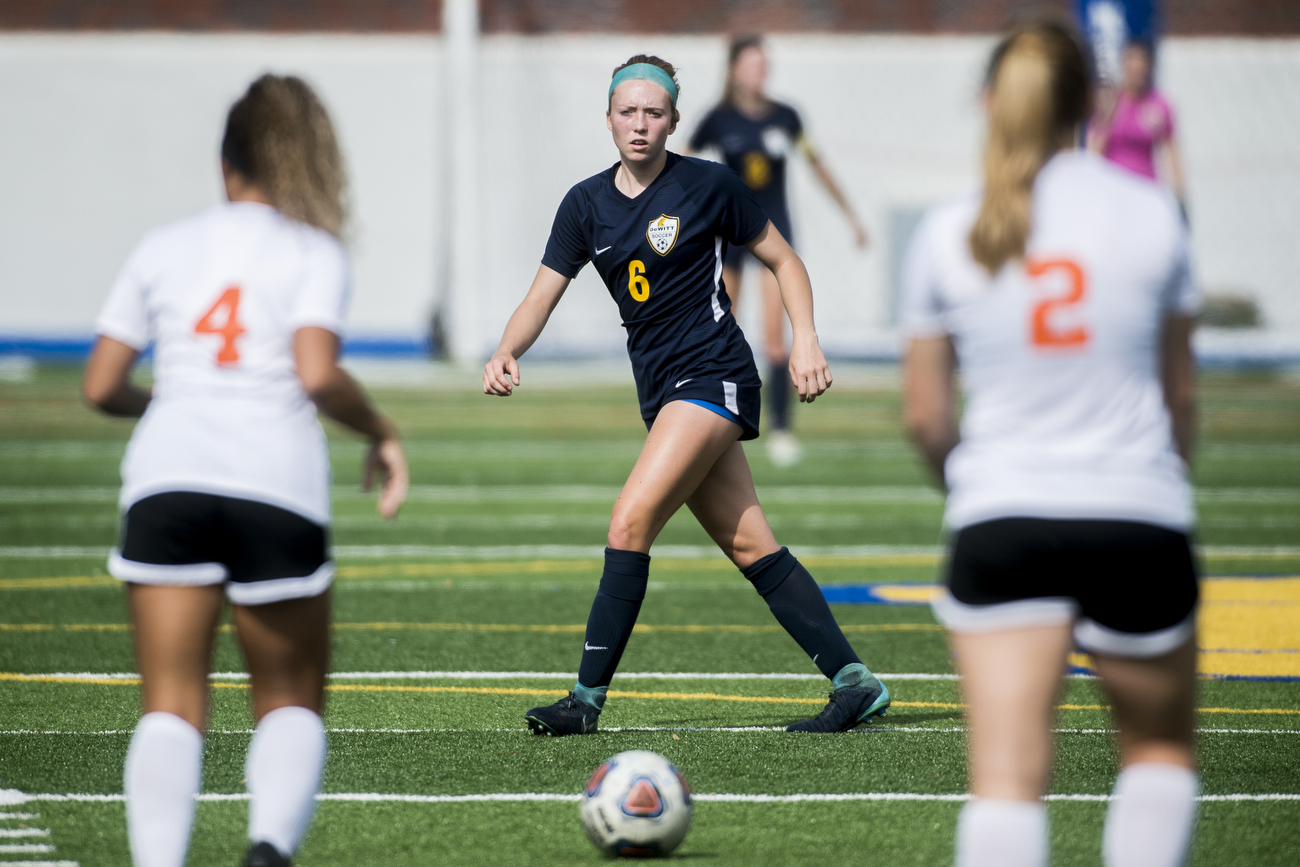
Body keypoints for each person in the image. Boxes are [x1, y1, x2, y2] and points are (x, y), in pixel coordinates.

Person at [484, 54, 889, 736]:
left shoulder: (708, 185)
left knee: (628, 522)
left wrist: (808, 337)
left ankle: (584, 701)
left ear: (674, 119)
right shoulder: (584, 205)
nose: (640, 124)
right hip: (664, 391)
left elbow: (783, 259)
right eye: (627, 111)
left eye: (653, 112)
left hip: (712, 375)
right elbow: (539, 295)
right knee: (751, 544)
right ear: (608, 117)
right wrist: (505, 350)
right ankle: (856, 682)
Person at [82, 75, 409, 867]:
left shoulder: (165, 244)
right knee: (289, 701)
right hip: (277, 480)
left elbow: (99, 384)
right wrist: (381, 430)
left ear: (226, 162)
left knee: (170, 705)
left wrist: (169, 402)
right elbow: (318, 372)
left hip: (168, 476)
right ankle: (266, 852)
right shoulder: (313, 249)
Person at [901, 21, 1198, 867]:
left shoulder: (949, 229)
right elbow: (1181, 398)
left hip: (1002, 519)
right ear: (1092, 101)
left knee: (1005, 782)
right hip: (1139, 512)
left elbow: (924, 416)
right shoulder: (1152, 214)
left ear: (990, 104)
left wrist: (976, 485)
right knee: (1159, 757)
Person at [687, 36, 868, 467]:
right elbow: (682, 164)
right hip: (728, 235)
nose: (759, 72)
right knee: (720, 328)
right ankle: (718, 422)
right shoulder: (717, 118)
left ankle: (782, 430)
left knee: (774, 338)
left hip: (772, 236)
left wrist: (850, 215)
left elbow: (816, 163)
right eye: (751, 65)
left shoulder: (786, 117)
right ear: (733, 70)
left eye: (763, 65)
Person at [1088, 39, 1187, 211]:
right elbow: (1094, 148)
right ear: (1123, 65)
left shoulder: (1159, 104)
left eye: (1141, 64)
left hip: (1146, 188)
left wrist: (1180, 196)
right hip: (1114, 189)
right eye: (1131, 63)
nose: (1136, 70)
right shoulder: (1110, 100)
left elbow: (1172, 153)